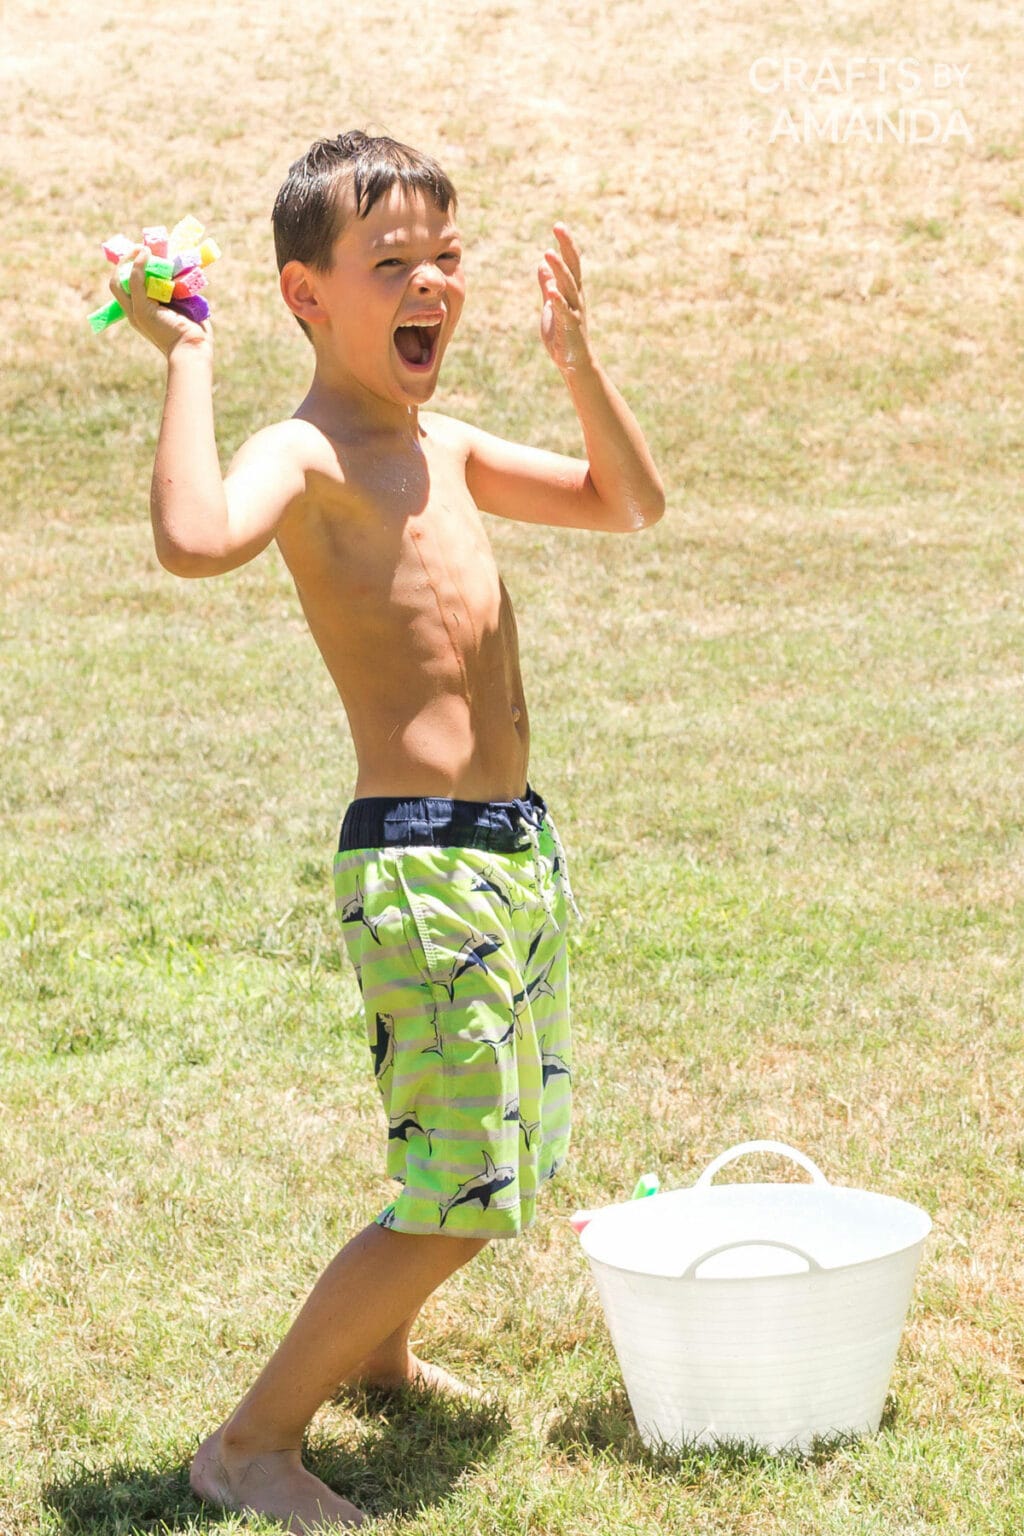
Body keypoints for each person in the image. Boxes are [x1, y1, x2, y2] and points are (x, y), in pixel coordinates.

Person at [113, 130, 664, 1532]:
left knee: (490, 1148)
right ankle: (250, 1447)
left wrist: (577, 362)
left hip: (510, 852)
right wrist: (187, 358)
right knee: (466, 1181)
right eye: (392, 262)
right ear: (306, 296)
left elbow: (628, 503)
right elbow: (192, 539)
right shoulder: (305, 453)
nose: (431, 283)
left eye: (447, 257)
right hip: (422, 863)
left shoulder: (449, 446)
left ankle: (381, 1353)